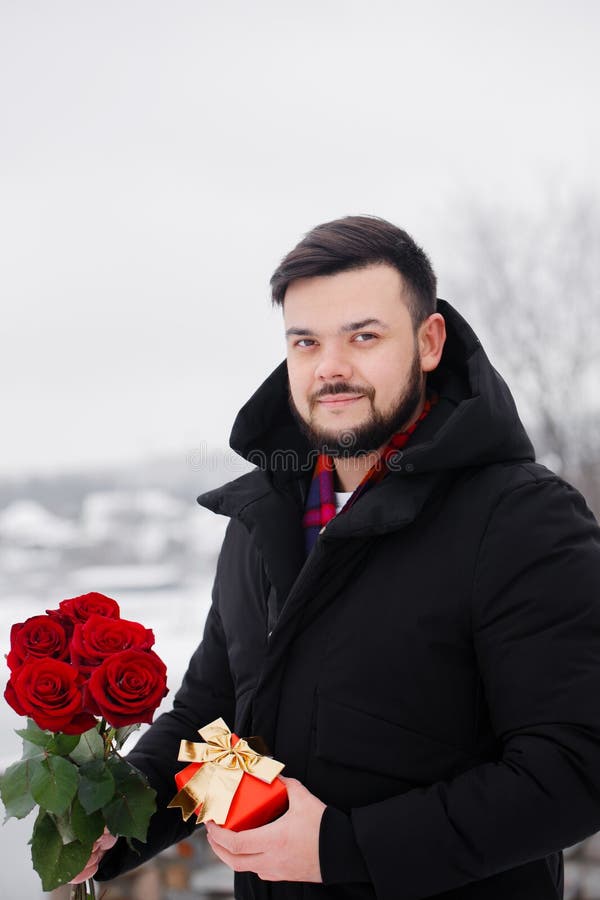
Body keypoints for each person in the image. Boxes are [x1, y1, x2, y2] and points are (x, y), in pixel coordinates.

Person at [96, 215, 600, 899]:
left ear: (428, 342)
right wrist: (110, 826)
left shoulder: (520, 519)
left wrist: (340, 848)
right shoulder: (261, 518)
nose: (330, 367)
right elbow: (213, 727)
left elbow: (573, 771)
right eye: (306, 341)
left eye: (363, 336)